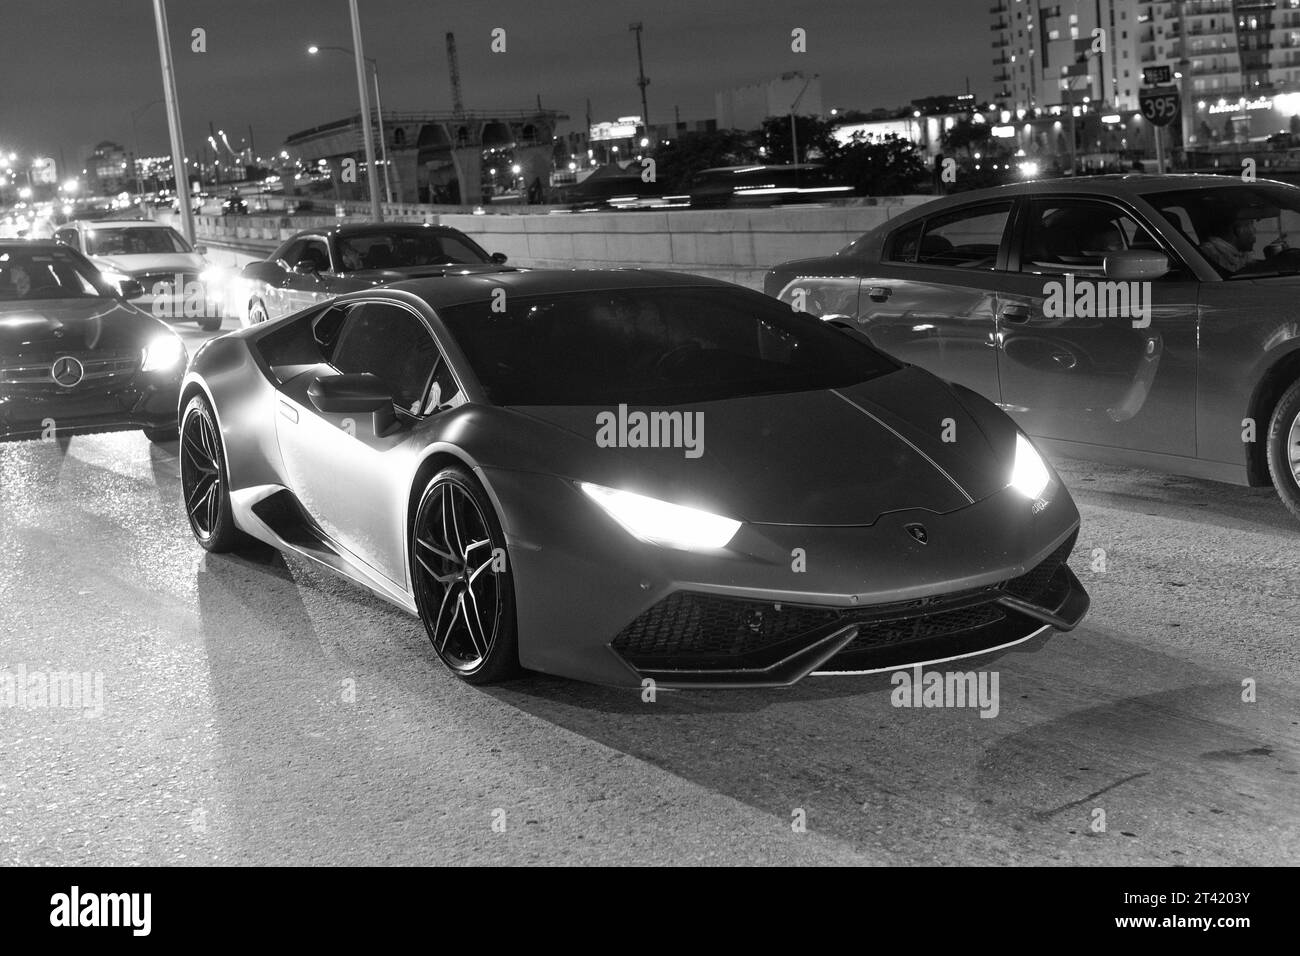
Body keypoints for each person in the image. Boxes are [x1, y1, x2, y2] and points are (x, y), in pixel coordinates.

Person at [1199, 207, 1258, 275]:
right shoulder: (1209, 254)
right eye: (1250, 224)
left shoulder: (1243, 255)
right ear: (1239, 230)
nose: (1254, 230)